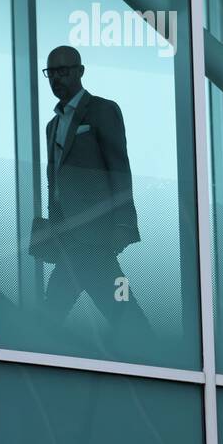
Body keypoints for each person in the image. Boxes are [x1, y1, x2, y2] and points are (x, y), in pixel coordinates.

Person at [32, 46, 151, 348]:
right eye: (51, 73)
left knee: (105, 307)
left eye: (63, 71)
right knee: (66, 307)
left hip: (94, 235)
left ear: (80, 71)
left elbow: (118, 168)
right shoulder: (52, 126)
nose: (56, 78)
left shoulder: (101, 110)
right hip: (69, 238)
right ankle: (150, 353)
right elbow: (55, 183)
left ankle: (153, 357)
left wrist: (124, 224)